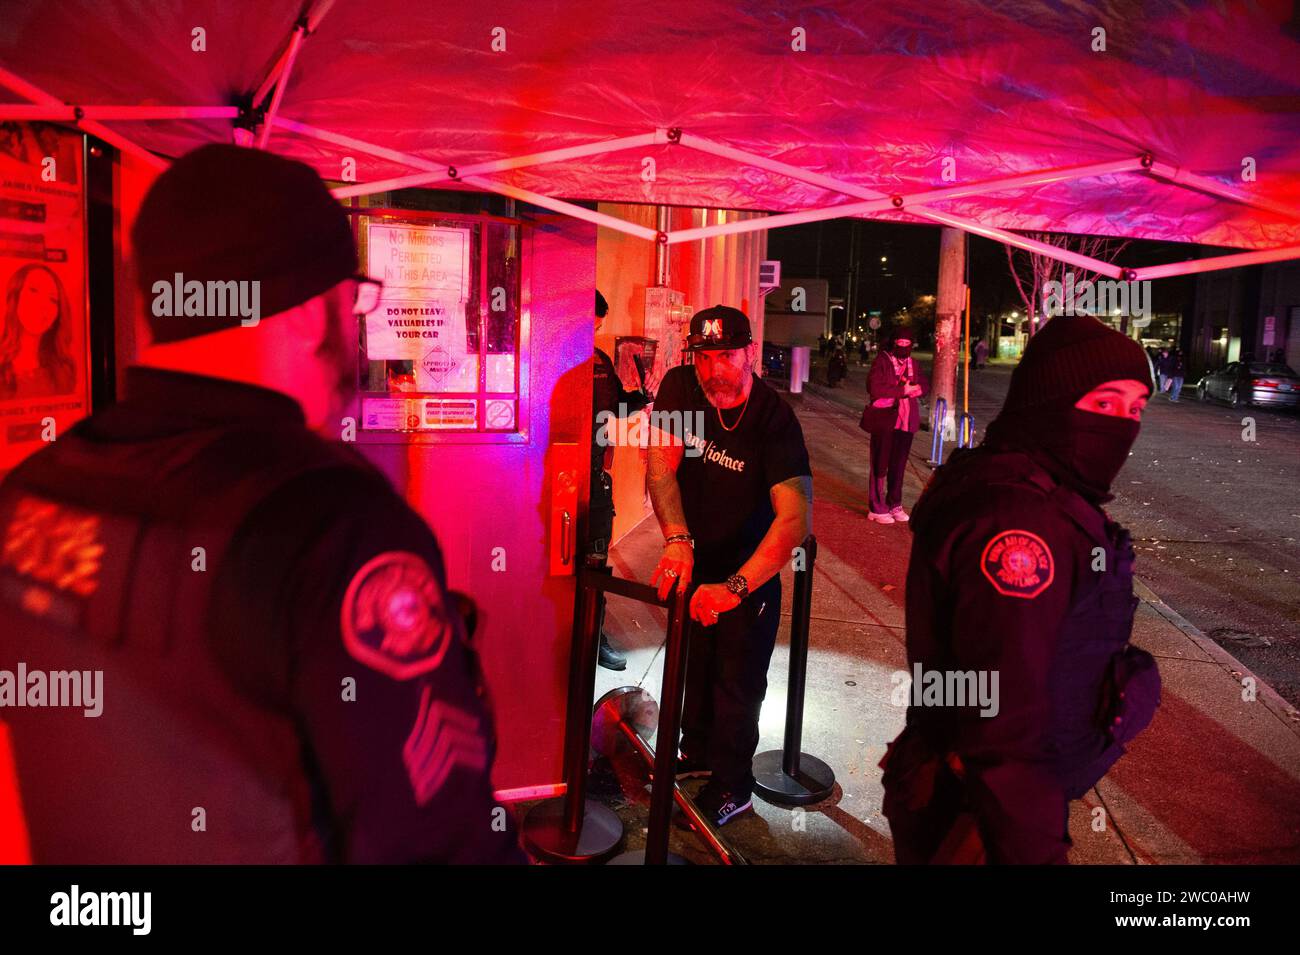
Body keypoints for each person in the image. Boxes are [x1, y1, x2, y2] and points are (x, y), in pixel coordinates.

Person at [0, 144, 523, 864]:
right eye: (356, 299)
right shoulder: (333, 525)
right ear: (313, 313)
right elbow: (441, 842)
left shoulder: (33, 491)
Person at [880, 314, 1162, 864]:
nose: (1123, 425)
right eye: (1104, 404)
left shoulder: (1041, 492)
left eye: (1135, 409)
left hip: (989, 799)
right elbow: (1003, 725)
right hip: (980, 812)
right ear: (1046, 402)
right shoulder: (1019, 520)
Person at [647, 305, 812, 826]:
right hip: (695, 559)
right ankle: (694, 757)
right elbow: (660, 468)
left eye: (726, 355)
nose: (714, 369)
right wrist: (677, 540)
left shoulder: (773, 418)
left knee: (737, 685)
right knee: (694, 670)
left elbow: (794, 520)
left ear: (749, 354)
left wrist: (735, 588)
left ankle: (732, 786)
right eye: (705, 356)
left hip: (750, 573)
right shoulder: (681, 387)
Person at [591, 289, 651, 670]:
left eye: (597, 325)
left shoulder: (598, 361)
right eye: (592, 322)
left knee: (597, 559)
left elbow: (611, 407)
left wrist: (638, 398)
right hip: (555, 479)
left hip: (595, 477)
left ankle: (594, 636)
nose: (594, 330)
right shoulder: (548, 358)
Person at [860, 329, 928, 523]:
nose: (904, 347)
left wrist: (917, 389)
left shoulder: (913, 363)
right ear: (893, 342)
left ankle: (894, 504)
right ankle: (876, 507)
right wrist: (902, 390)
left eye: (908, 343)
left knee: (898, 465)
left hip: (906, 422)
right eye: (901, 342)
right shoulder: (882, 361)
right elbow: (874, 388)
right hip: (885, 419)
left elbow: (924, 384)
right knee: (880, 463)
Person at [0, 263, 77, 400]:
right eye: (33, 290)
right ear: (15, 298)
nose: (43, 305)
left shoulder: (64, 371)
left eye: (53, 299)